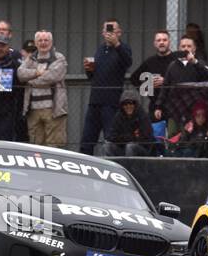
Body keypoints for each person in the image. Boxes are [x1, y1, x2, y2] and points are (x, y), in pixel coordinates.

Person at [79, 19, 132, 154]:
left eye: (112, 30)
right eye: (106, 30)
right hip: (95, 101)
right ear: (102, 33)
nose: (109, 33)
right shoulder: (100, 50)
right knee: (87, 139)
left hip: (111, 102)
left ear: (119, 33)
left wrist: (117, 44)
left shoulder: (123, 49)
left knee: (111, 139)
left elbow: (128, 62)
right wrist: (89, 70)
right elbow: (93, 77)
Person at [17, 29, 68, 147]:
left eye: (46, 40)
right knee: (36, 148)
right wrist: (37, 73)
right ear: (36, 43)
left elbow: (52, 77)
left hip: (54, 110)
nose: (43, 43)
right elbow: (20, 74)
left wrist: (30, 79)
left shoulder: (59, 58)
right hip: (33, 110)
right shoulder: (30, 58)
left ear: (51, 42)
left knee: (54, 147)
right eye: (40, 40)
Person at [158, 36, 208, 136]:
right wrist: (159, 106)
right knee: (173, 138)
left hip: (194, 110)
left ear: (194, 48)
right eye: (183, 46)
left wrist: (195, 62)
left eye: (189, 46)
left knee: (190, 138)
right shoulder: (172, 65)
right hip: (175, 109)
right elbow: (165, 87)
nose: (186, 49)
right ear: (179, 48)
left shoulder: (199, 63)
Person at [130, 29, 178, 103]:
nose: (161, 42)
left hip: (174, 103)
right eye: (158, 40)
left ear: (169, 42)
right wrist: (147, 88)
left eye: (164, 40)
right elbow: (133, 78)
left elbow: (184, 80)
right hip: (154, 104)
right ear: (154, 43)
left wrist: (165, 81)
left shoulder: (177, 60)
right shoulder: (149, 62)